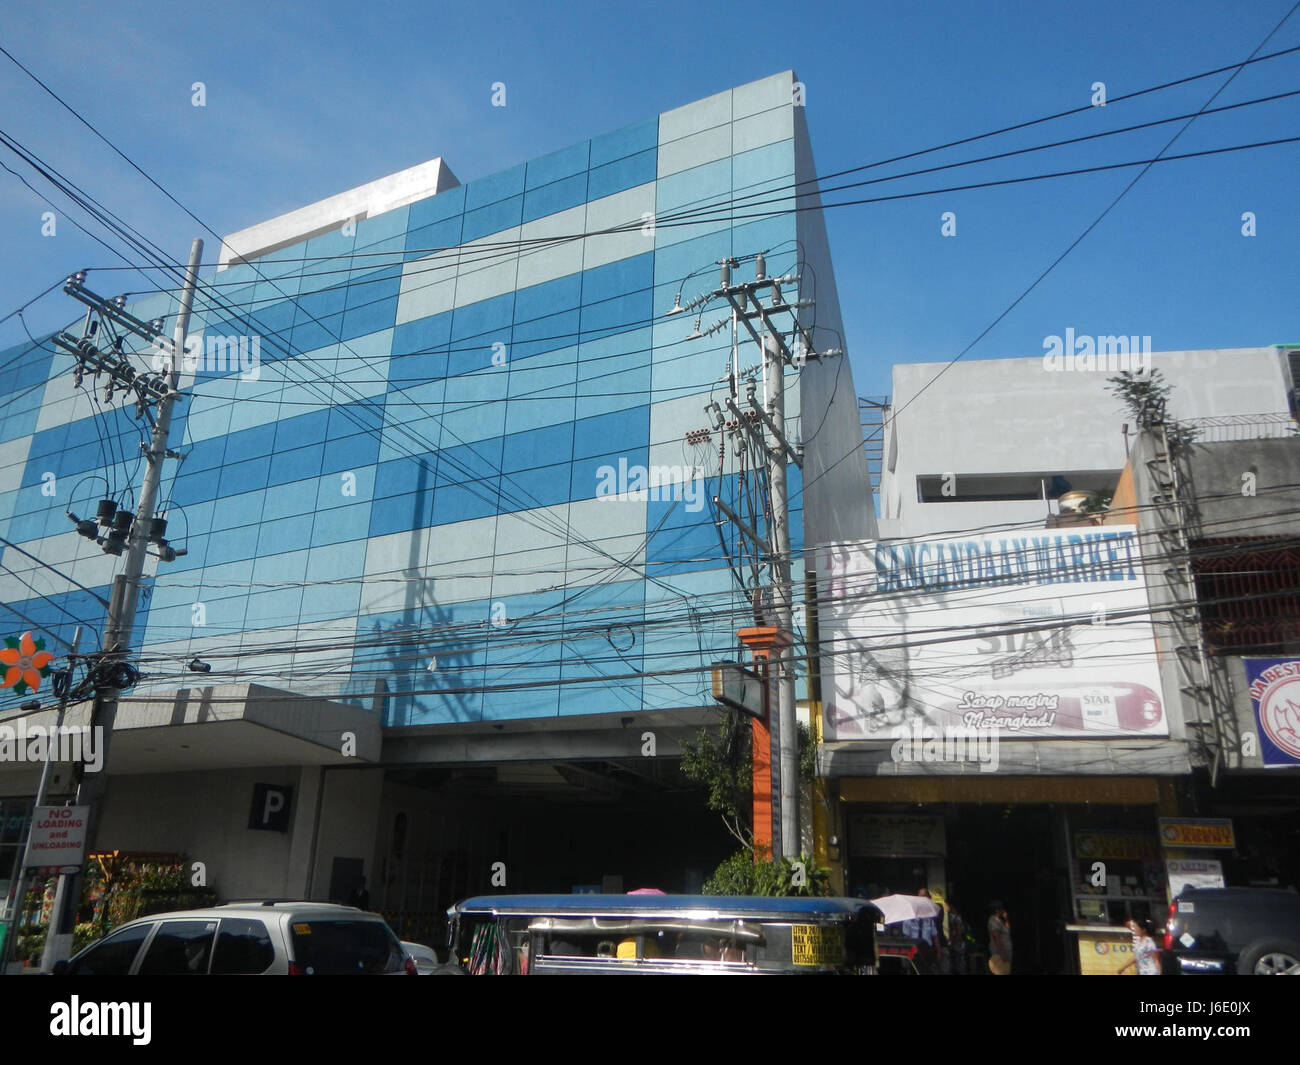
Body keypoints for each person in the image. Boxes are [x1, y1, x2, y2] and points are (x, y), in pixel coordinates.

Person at [987, 901, 1012, 975]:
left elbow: (1008, 931)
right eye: (1001, 909)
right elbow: (996, 938)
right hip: (999, 951)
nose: (1003, 911)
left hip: (1005, 949)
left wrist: (1006, 919)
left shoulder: (999, 921)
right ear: (997, 910)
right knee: (1000, 971)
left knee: (1006, 971)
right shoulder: (993, 921)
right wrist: (1002, 952)